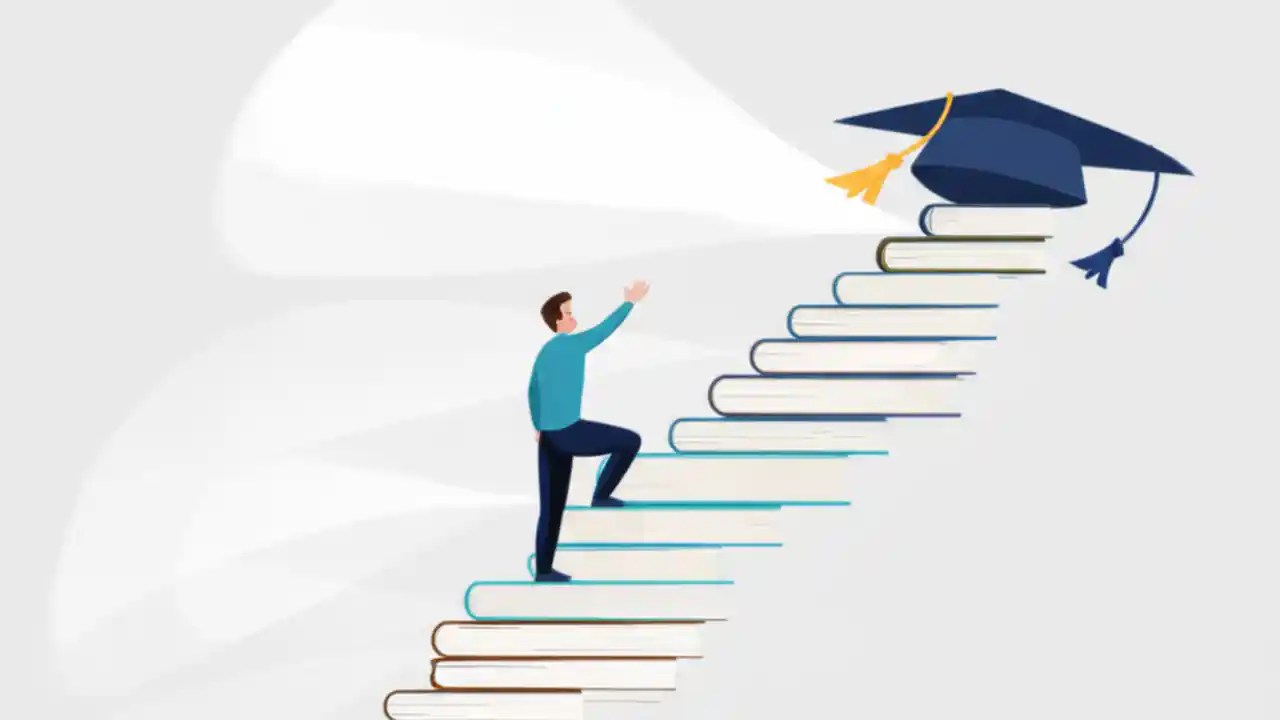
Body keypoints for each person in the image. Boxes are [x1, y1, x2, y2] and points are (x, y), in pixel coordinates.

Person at [527, 281, 649, 582]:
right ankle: (602, 494)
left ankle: (543, 571)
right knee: (630, 441)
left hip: (550, 439)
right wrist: (629, 303)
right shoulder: (572, 344)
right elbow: (604, 330)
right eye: (568, 313)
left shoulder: (544, 352)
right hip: (569, 431)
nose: (573, 317)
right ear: (557, 321)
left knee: (551, 509)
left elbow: (533, 390)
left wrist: (539, 426)